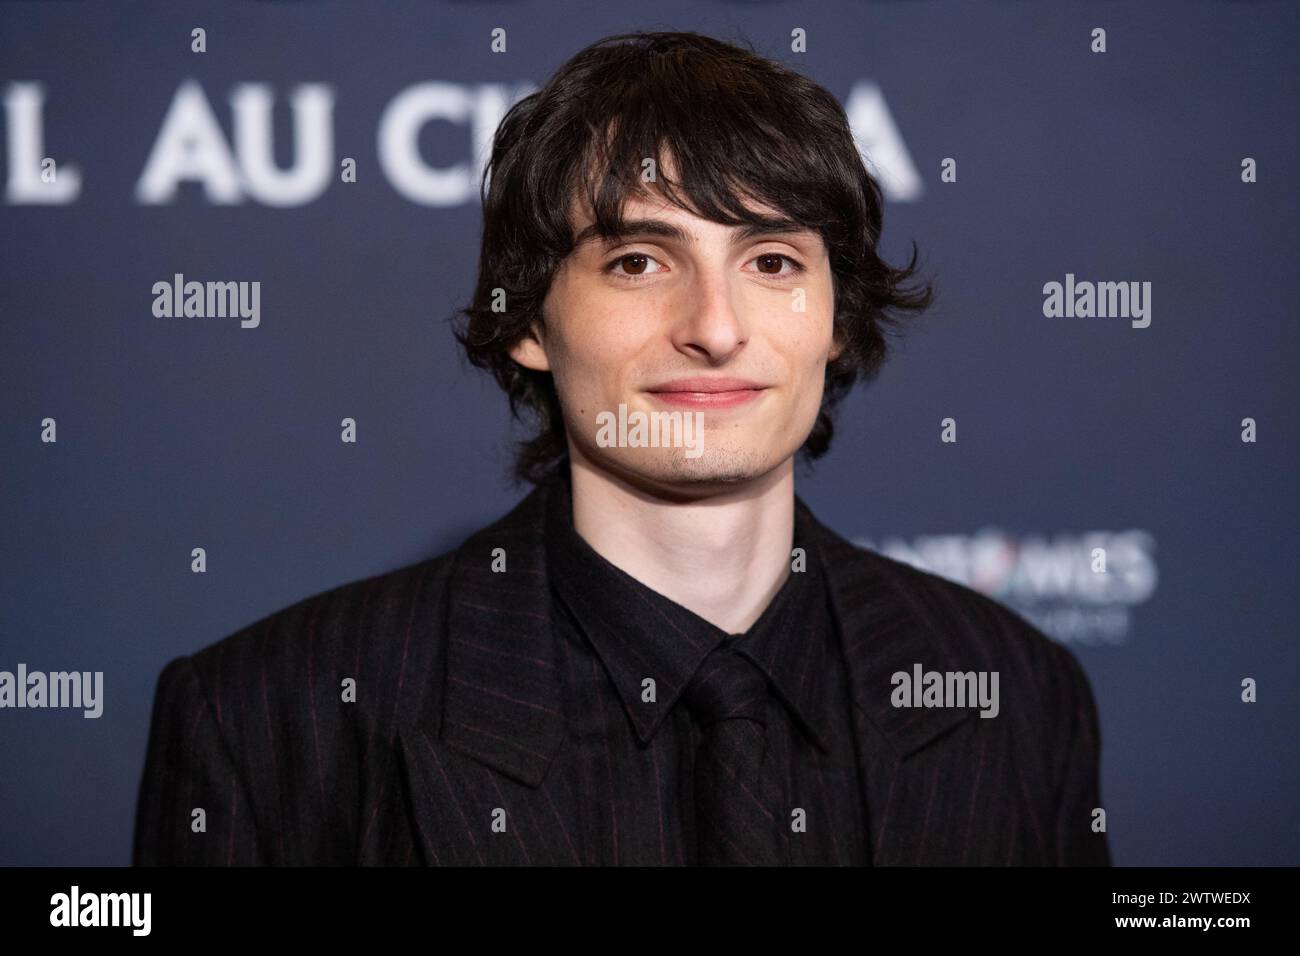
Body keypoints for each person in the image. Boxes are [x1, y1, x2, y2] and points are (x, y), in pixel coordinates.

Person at [133, 29, 1110, 866]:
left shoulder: (1013, 691)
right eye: (639, 261)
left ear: (839, 318)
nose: (716, 327)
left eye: (771, 261)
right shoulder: (266, 718)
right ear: (524, 317)